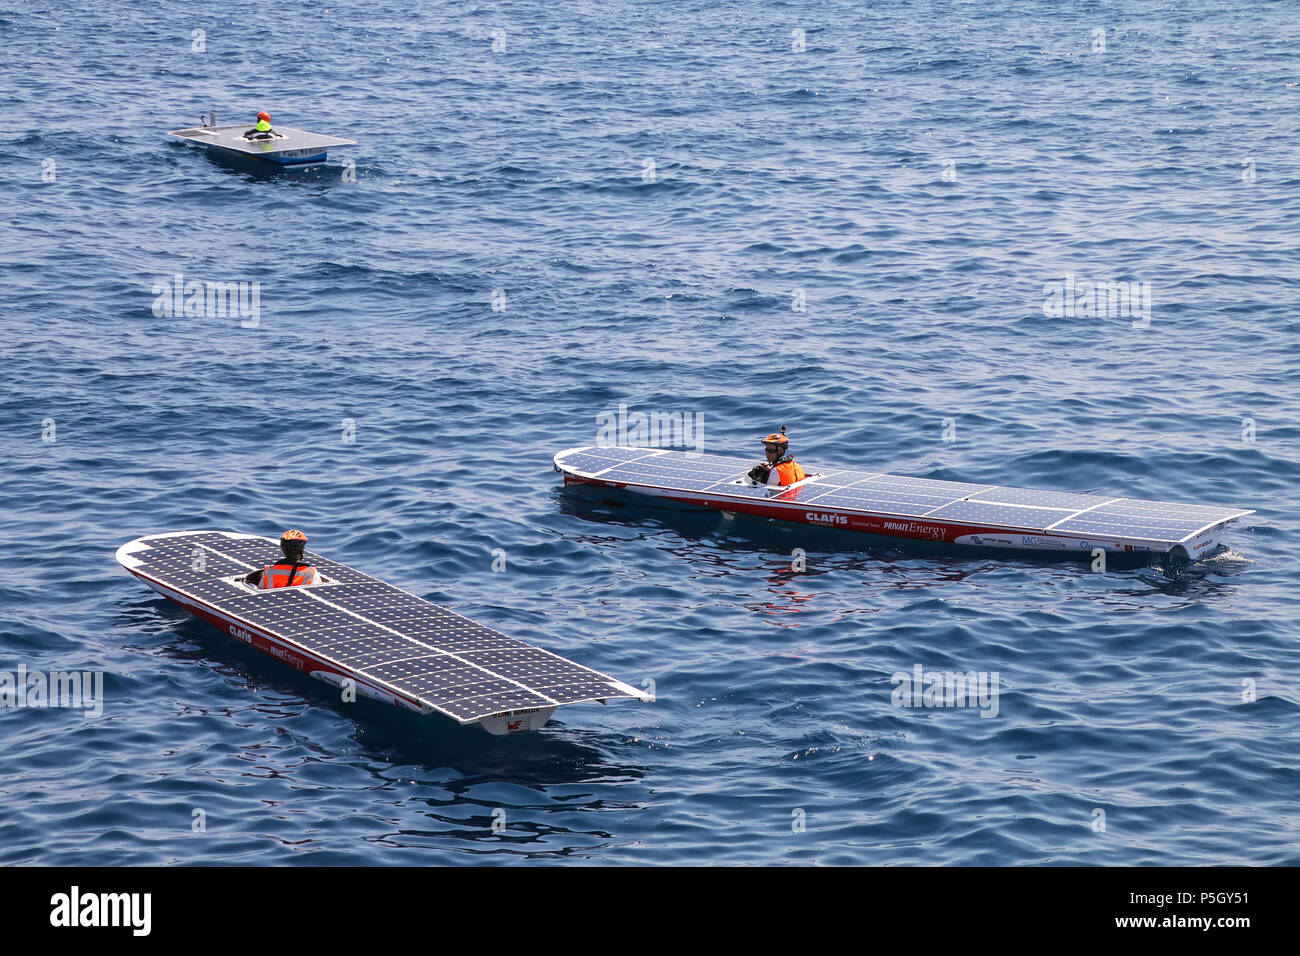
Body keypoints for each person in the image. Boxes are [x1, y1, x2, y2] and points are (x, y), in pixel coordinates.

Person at [244, 530, 317, 589]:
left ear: (283, 549)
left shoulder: (268, 571)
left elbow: (261, 591)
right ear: (302, 550)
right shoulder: (311, 573)